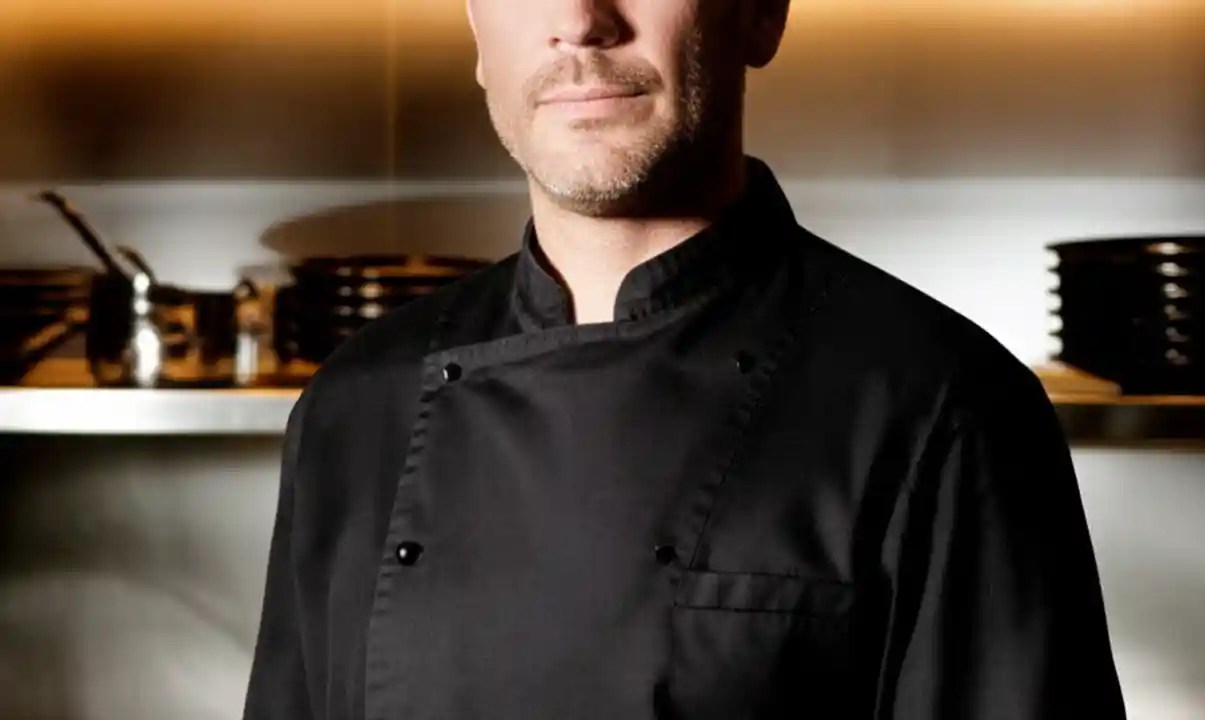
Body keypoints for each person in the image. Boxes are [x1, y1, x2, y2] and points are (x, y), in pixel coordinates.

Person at [243, 1, 1127, 718]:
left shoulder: (945, 406)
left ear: (762, 14)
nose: (580, 22)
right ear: (477, 30)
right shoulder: (357, 405)